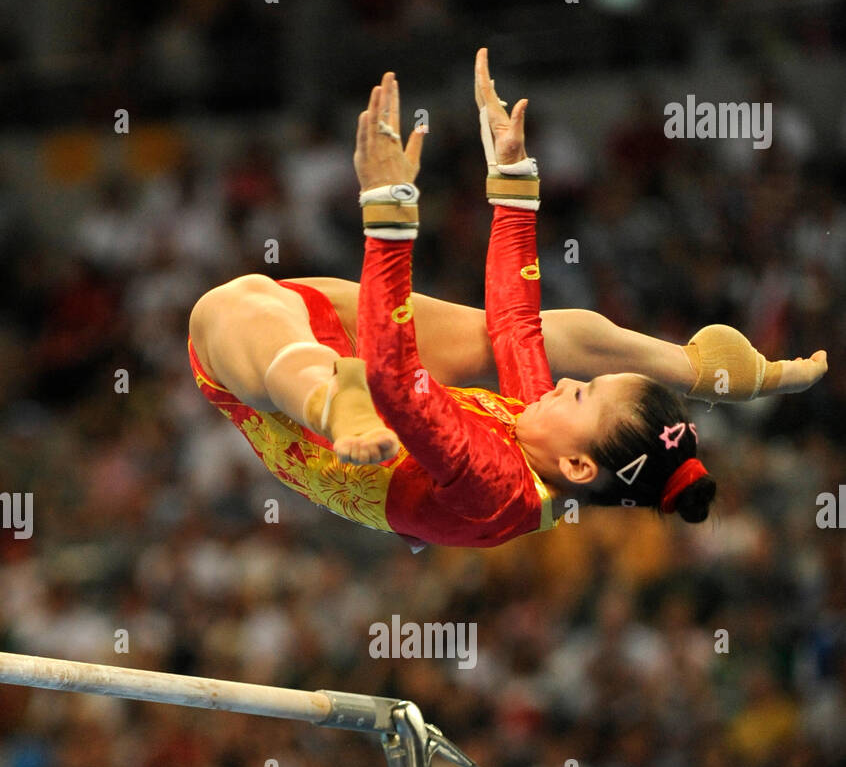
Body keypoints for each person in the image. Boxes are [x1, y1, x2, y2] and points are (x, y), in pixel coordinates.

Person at [188, 53, 825, 550]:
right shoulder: (541, 450)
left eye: (582, 395)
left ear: (579, 465)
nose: (569, 385)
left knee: (242, 306)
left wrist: (388, 215)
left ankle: (334, 403)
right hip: (353, 357)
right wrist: (514, 181)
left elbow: (395, 376)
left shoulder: (493, 486)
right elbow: (515, 323)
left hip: (296, 396)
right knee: (555, 330)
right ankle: (711, 372)